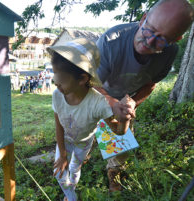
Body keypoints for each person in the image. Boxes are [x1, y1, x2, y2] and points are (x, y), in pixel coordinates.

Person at [94, 0, 194, 192]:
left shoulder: (169, 52)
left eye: (161, 39)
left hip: (125, 100)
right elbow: (90, 84)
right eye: (149, 30)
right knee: (83, 136)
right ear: (143, 19)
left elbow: (150, 84)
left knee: (121, 142)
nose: (149, 42)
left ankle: (115, 178)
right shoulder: (110, 41)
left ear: (176, 39)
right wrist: (112, 104)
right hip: (96, 95)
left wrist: (132, 103)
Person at [47, 38, 134, 201]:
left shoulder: (98, 103)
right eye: (54, 77)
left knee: (74, 169)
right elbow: (58, 125)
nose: (55, 83)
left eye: (60, 81)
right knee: (59, 173)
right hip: (64, 140)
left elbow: (118, 132)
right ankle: (71, 198)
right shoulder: (57, 95)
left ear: (82, 79)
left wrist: (125, 120)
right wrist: (62, 154)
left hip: (83, 143)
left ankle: (71, 189)